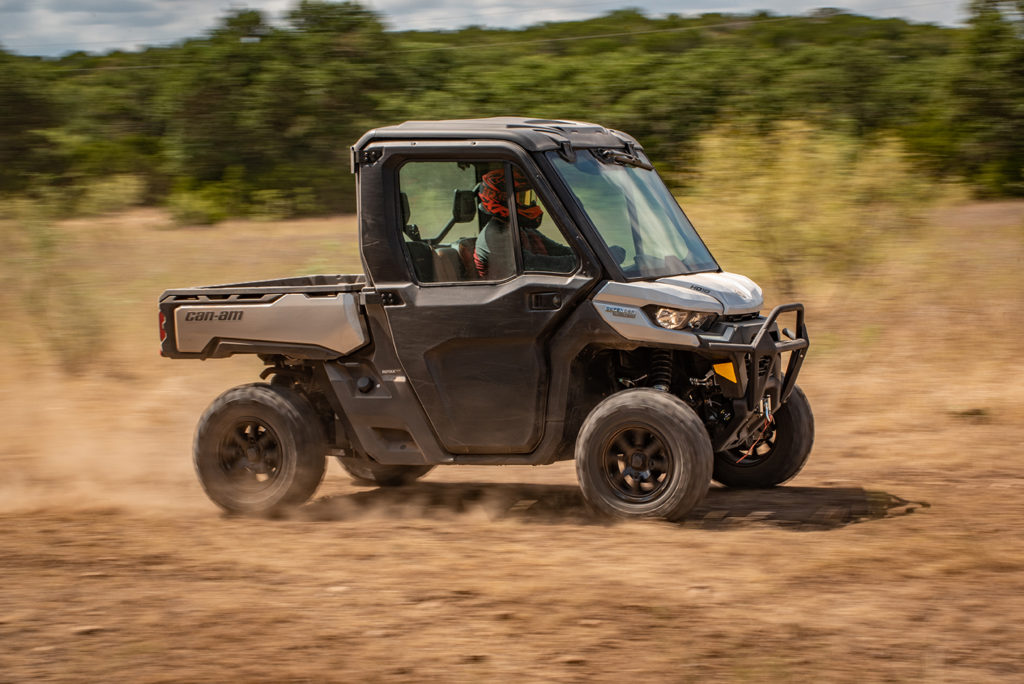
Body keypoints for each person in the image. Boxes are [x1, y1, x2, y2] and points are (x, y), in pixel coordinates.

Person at [473, 168, 576, 279]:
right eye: (522, 199)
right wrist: (578, 262)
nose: (530, 204)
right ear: (503, 200)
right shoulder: (494, 235)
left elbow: (557, 250)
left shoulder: (520, 229)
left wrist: (581, 257)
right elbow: (530, 264)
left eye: (528, 197)